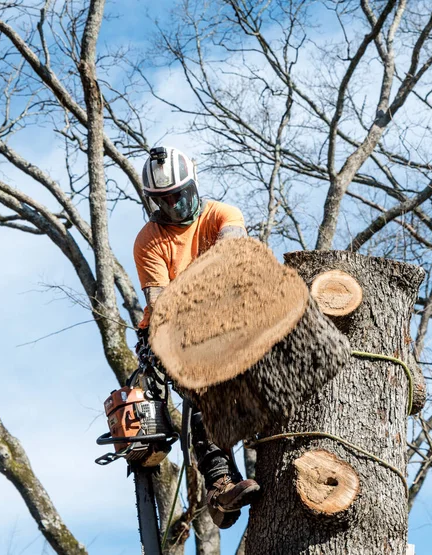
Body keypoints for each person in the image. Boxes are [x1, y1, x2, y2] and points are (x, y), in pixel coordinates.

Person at [133, 146, 260, 529]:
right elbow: (161, 303)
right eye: (163, 201)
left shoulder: (222, 214)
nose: (173, 207)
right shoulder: (149, 240)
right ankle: (220, 484)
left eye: (179, 196)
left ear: (194, 186)